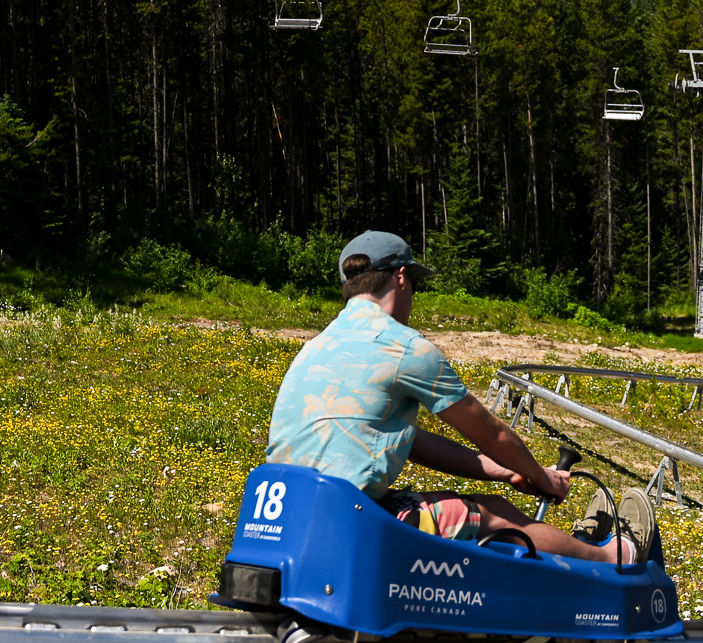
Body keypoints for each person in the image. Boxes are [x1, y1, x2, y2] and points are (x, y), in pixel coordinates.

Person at [265, 229, 658, 564]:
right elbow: (491, 433)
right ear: (401, 277)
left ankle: (579, 549)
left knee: (475, 504)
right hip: (351, 522)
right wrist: (543, 479)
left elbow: (407, 442)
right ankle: (614, 556)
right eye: (415, 285)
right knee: (495, 513)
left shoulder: (316, 347)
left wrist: (506, 471)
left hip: (294, 514)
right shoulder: (403, 348)